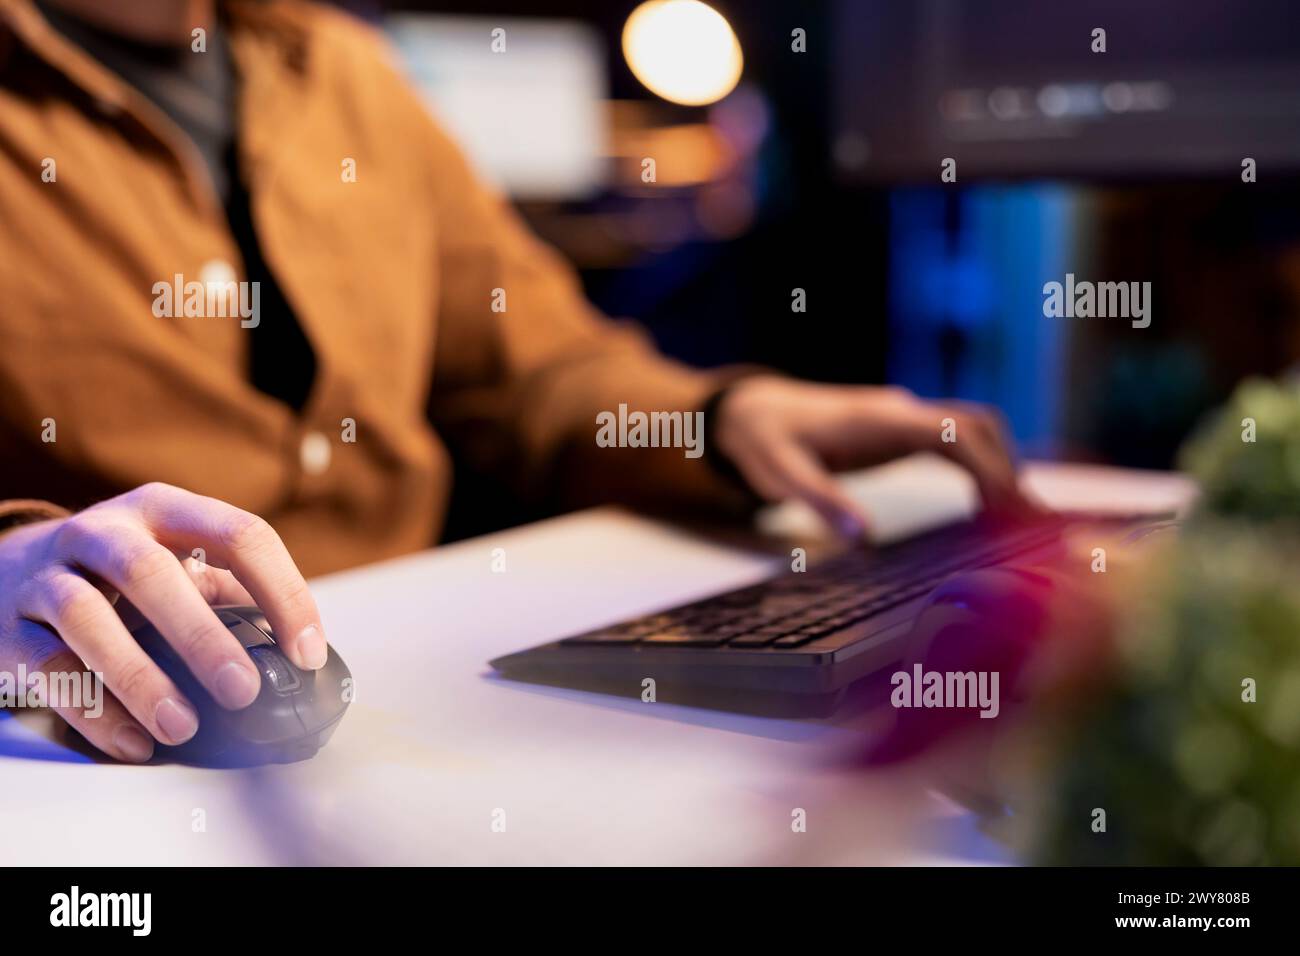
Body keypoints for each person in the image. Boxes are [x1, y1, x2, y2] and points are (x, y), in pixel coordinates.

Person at [0, 0, 1030, 761]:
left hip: (403, 713)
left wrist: (723, 417)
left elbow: (536, 365)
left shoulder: (346, 72)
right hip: (90, 751)